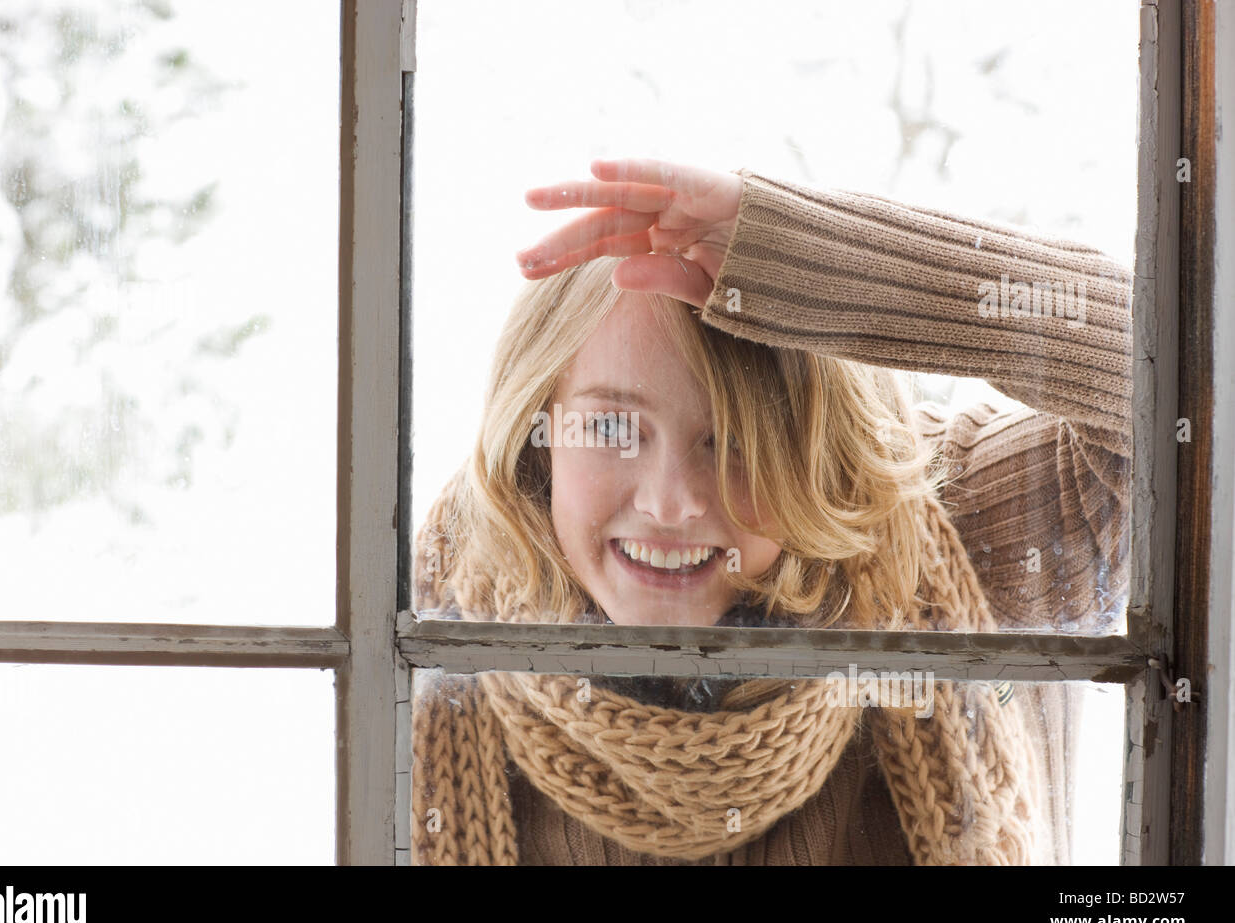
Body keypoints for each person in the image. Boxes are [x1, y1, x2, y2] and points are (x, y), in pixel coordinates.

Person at [410, 159, 1132, 865]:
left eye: (736, 441)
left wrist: (815, 264)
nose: (670, 503)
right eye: (611, 430)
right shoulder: (455, 603)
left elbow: (1179, 376)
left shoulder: (953, 517)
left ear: (819, 451)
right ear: (539, 441)